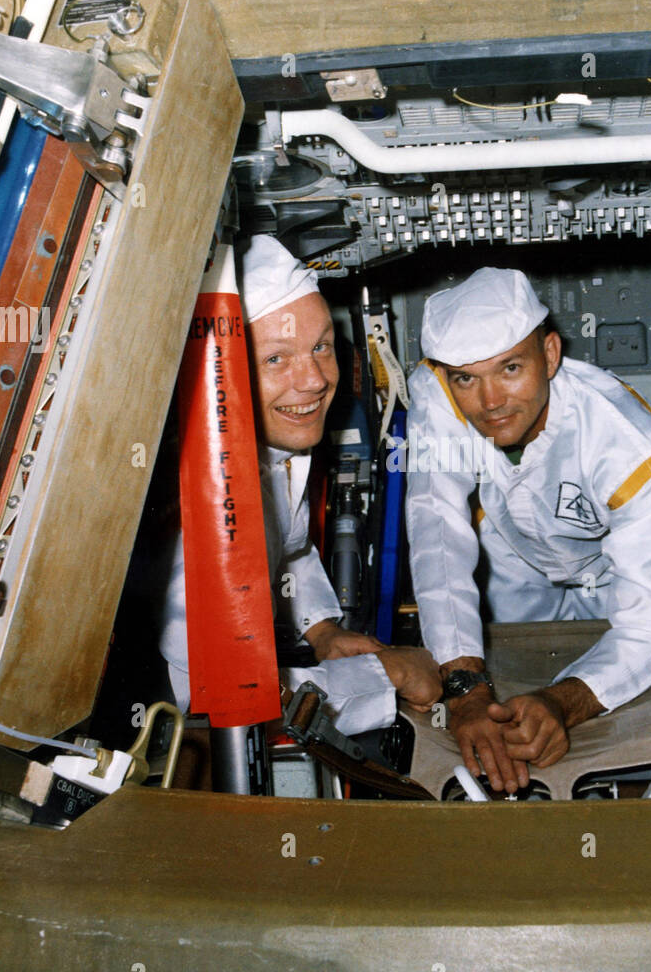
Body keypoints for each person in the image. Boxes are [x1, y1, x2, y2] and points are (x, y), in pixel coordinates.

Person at [406, 267, 651, 793]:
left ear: (551, 355)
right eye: (467, 378)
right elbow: (437, 530)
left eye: (510, 368)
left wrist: (565, 701)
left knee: (609, 702)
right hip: (507, 553)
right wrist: (465, 691)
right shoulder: (438, 390)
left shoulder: (626, 442)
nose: (490, 401)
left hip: (607, 569)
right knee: (500, 717)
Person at [160, 235, 442, 733]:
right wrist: (385, 674)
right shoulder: (191, 508)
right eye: (276, 359)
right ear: (216, 374)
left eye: (321, 348)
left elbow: (289, 545)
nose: (313, 380)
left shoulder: (278, 443)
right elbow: (214, 698)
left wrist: (321, 629)